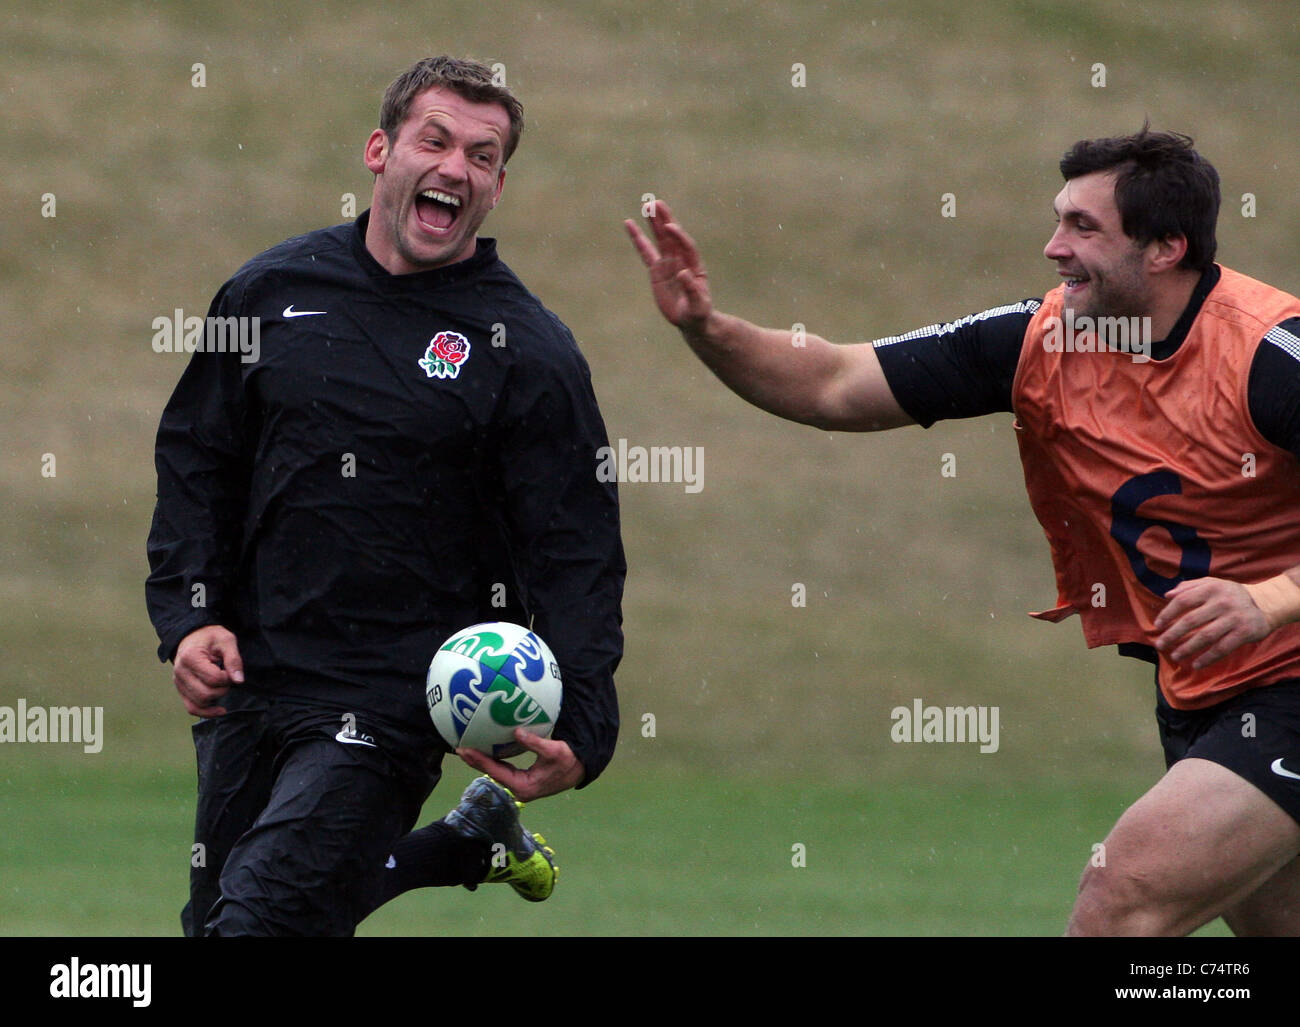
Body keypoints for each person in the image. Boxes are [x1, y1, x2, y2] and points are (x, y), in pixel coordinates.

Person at [626, 127, 1300, 936]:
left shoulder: (1267, 356)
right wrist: (707, 325)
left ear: (1165, 248)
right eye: (1059, 220)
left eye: (1085, 228)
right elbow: (837, 382)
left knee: (1118, 904)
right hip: (1203, 691)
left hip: (1287, 680)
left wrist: (1271, 600)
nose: (1054, 247)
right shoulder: (1041, 341)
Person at [147, 55, 625, 936]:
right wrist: (189, 614)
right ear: (380, 150)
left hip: (390, 699)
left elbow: (576, 548)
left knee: (259, 923)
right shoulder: (269, 292)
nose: (455, 168)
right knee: (224, 920)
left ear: (498, 188)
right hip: (251, 680)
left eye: (482, 157)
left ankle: (451, 841)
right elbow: (197, 460)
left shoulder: (527, 352)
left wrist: (587, 727)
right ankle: (457, 845)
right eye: (434, 140)